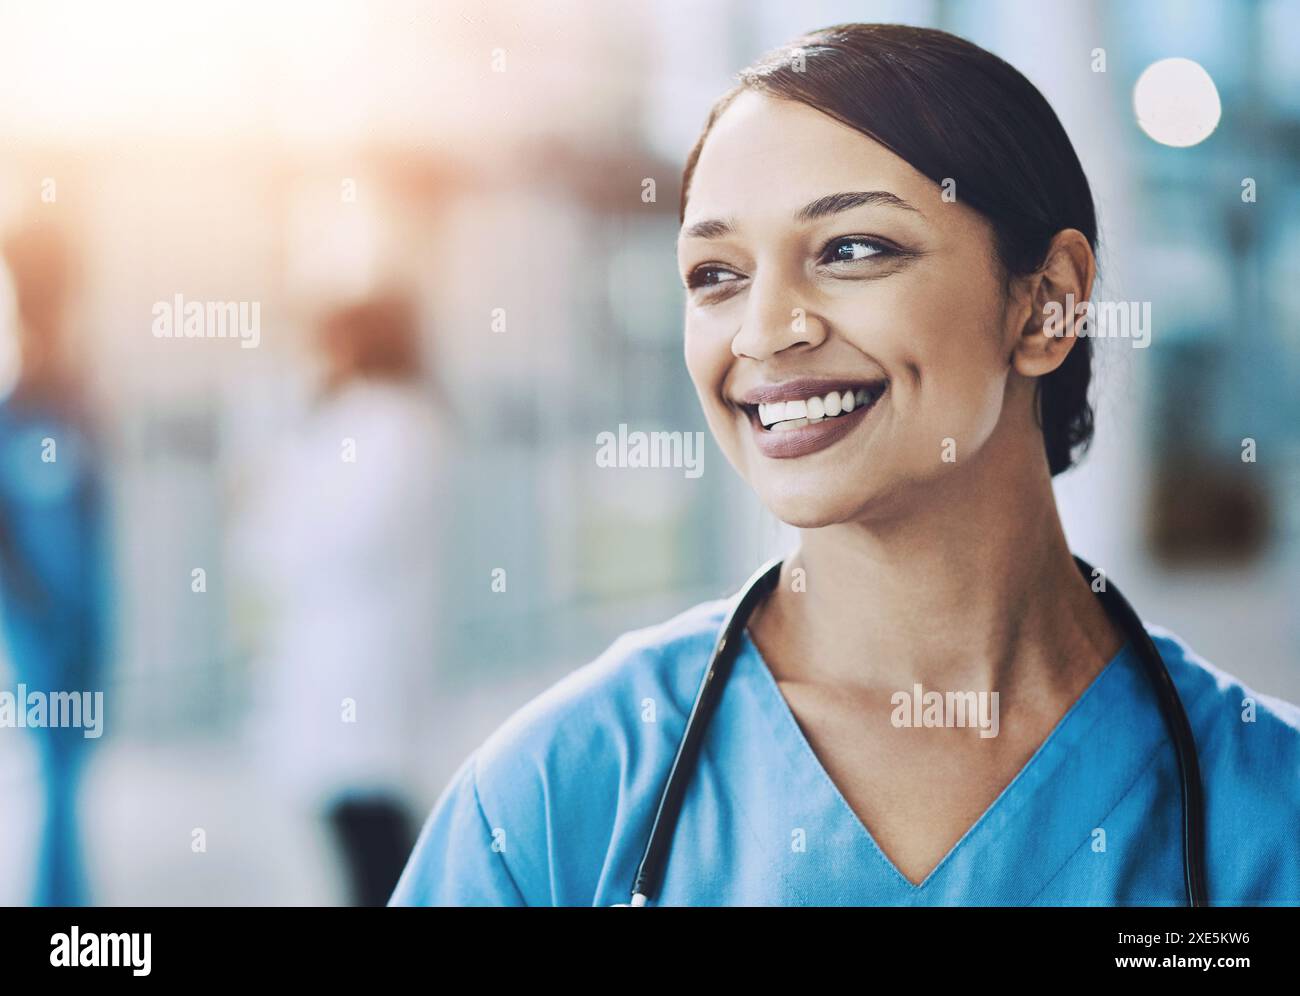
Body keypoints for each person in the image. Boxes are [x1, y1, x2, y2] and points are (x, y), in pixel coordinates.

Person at [389, 23, 1300, 906]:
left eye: (852, 250)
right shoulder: (553, 800)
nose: (765, 330)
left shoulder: (1271, 812)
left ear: (1045, 307)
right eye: (716, 273)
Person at [237, 291, 448, 906]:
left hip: (358, 661)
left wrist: (266, 506)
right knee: (362, 829)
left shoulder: (388, 423)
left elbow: (331, 541)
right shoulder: (369, 422)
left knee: (370, 835)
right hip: (344, 658)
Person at [0, 221, 110, 906]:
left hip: (75, 613)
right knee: (56, 769)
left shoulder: (75, 399)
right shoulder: (23, 406)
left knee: (67, 768)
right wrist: (32, 603)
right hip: (40, 619)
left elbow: (93, 520)